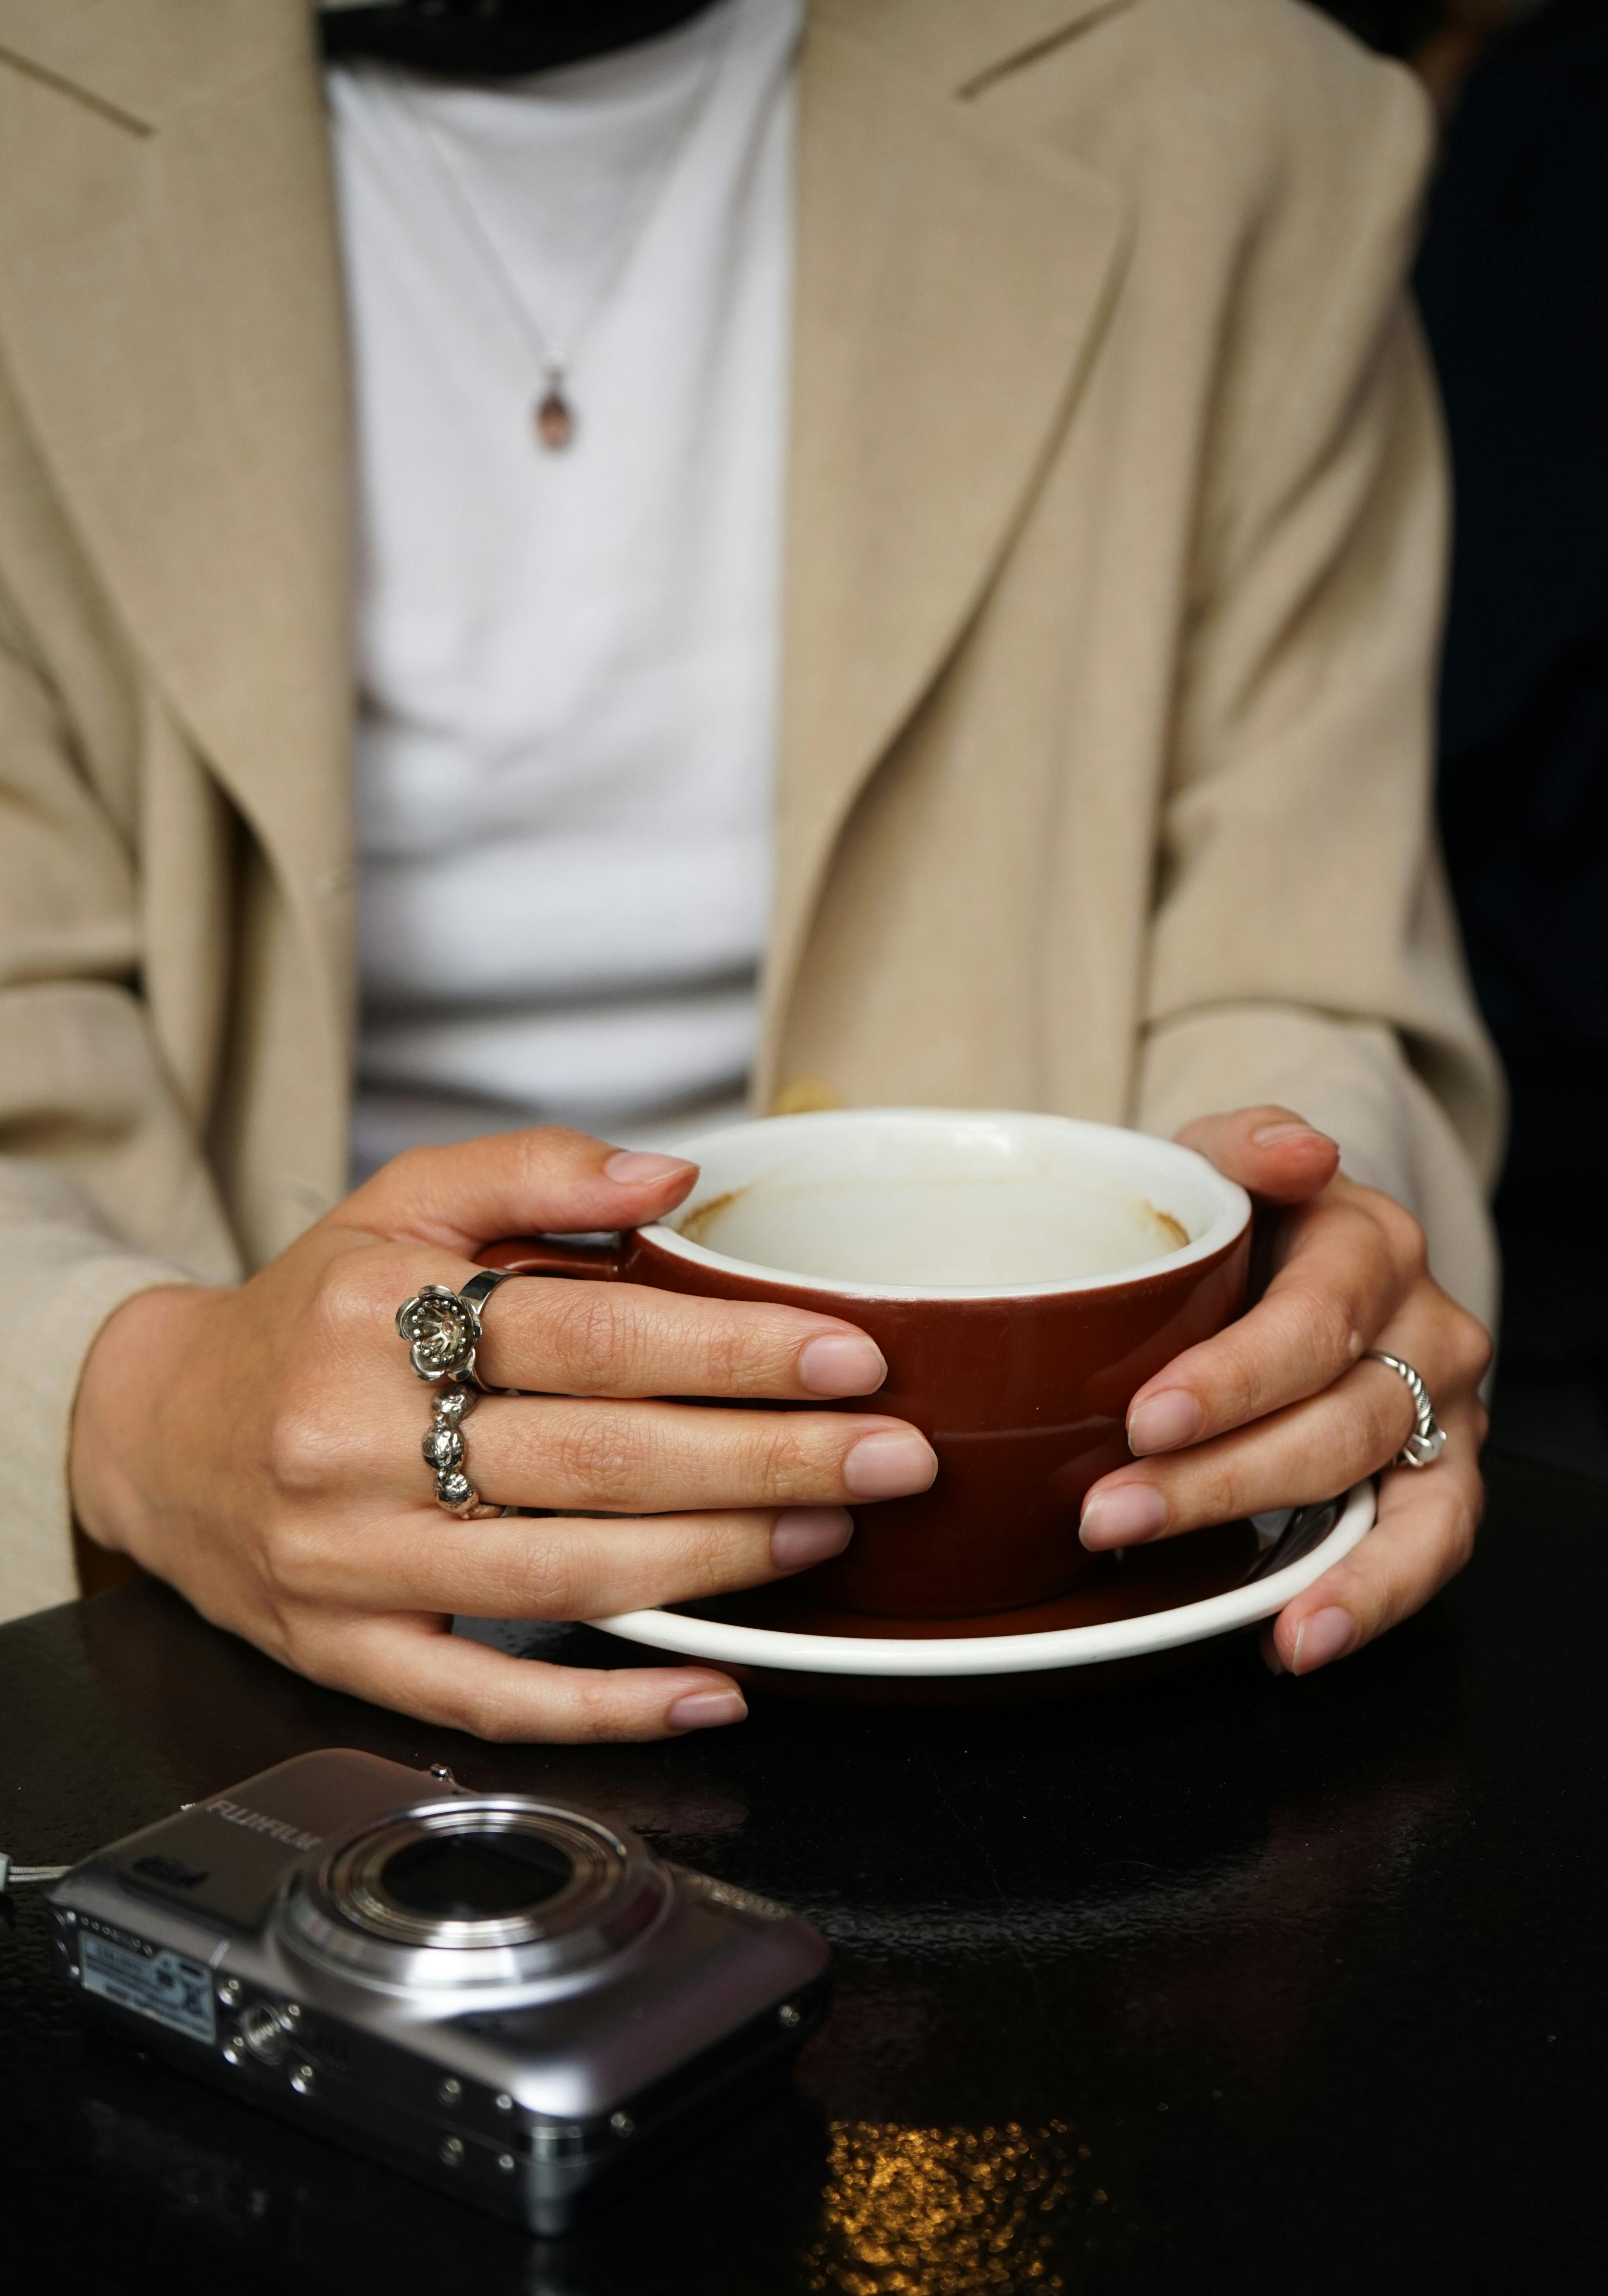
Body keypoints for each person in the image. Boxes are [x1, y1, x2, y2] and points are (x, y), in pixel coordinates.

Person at [0, 0, 1499, 1740]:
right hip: (219, 1646)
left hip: (1062, 1608)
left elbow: (1303, 983)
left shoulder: (1242, 118)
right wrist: (126, 1400)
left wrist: (1310, 1315)